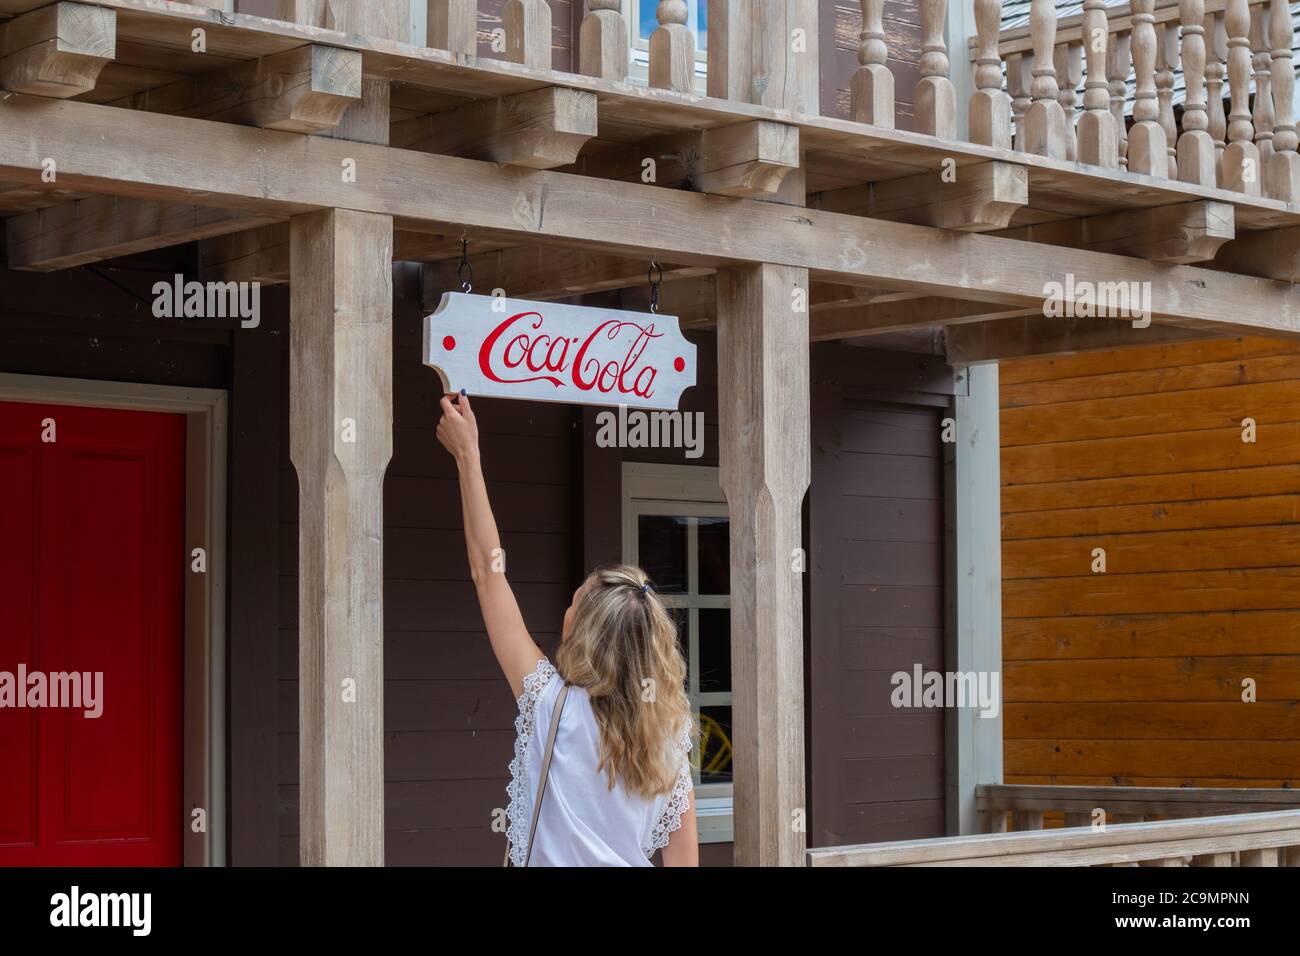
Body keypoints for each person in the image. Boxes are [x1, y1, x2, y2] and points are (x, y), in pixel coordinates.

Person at [437, 390, 699, 867]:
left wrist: (468, 457)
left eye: (574, 603)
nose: (567, 608)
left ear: (586, 634)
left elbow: (487, 572)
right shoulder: (669, 735)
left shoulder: (550, 706)